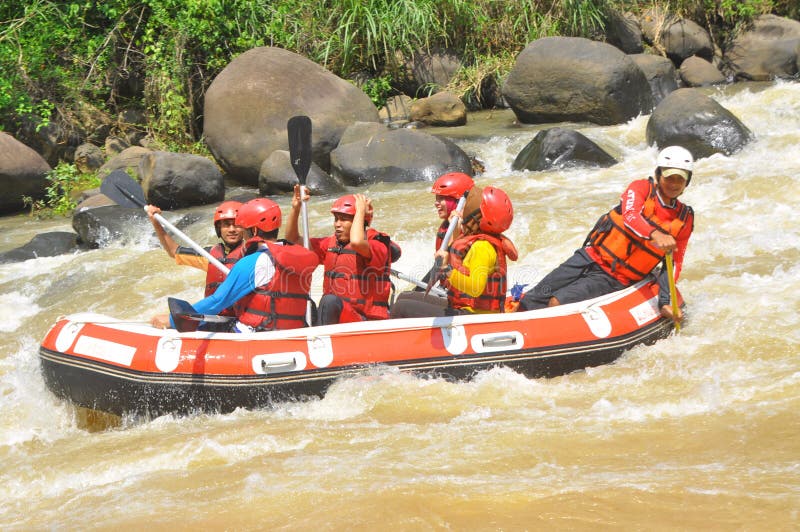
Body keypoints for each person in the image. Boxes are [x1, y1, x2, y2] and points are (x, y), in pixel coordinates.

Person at [518, 145, 695, 323]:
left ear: (686, 183)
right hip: (588, 258)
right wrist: (655, 234)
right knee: (531, 299)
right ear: (658, 175)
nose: (673, 184)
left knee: (557, 302)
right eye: (669, 177)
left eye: (679, 179)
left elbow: (674, 263)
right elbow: (630, 216)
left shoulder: (684, 219)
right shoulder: (640, 188)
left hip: (614, 277)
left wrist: (665, 301)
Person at [156, 197, 320, 332]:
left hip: (255, 332)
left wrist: (172, 320)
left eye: (242, 227)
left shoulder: (253, 261)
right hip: (291, 331)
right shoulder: (295, 254)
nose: (236, 230)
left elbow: (217, 301)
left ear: (253, 231)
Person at [390, 186, 519, 318]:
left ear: (477, 215)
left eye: (464, 207)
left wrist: (446, 269)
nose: (459, 211)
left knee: (402, 307)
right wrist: (456, 230)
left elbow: (475, 288)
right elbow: (459, 260)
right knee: (404, 296)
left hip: (475, 315)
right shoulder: (477, 241)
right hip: (465, 308)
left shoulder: (482, 247)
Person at [286, 187, 401, 325]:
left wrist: (360, 212)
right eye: (336, 219)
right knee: (305, 305)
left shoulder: (377, 245)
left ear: (361, 220)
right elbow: (293, 241)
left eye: (344, 219)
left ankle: (321, 343)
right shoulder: (331, 243)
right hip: (338, 316)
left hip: (365, 321)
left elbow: (357, 242)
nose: (337, 224)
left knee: (329, 301)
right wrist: (295, 208)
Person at [147, 201, 247, 328]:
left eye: (236, 225)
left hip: (240, 322)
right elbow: (173, 251)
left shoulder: (253, 255)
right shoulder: (210, 255)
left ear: (245, 228)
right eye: (226, 225)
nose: (232, 230)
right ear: (218, 229)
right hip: (214, 317)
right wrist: (156, 222)